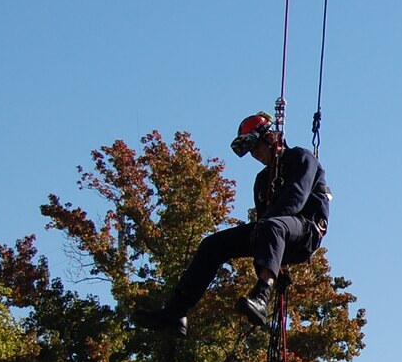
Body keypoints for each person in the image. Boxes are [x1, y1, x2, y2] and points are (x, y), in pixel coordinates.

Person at [132, 111, 331, 337]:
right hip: (275, 232)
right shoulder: (262, 181)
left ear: (271, 139)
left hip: (306, 231)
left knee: (271, 225)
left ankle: (262, 295)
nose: (255, 154)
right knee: (213, 245)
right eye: (250, 151)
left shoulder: (301, 158)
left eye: (256, 147)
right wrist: (277, 261)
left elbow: (295, 199)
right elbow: (264, 223)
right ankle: (177, 310)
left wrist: (267, 232)